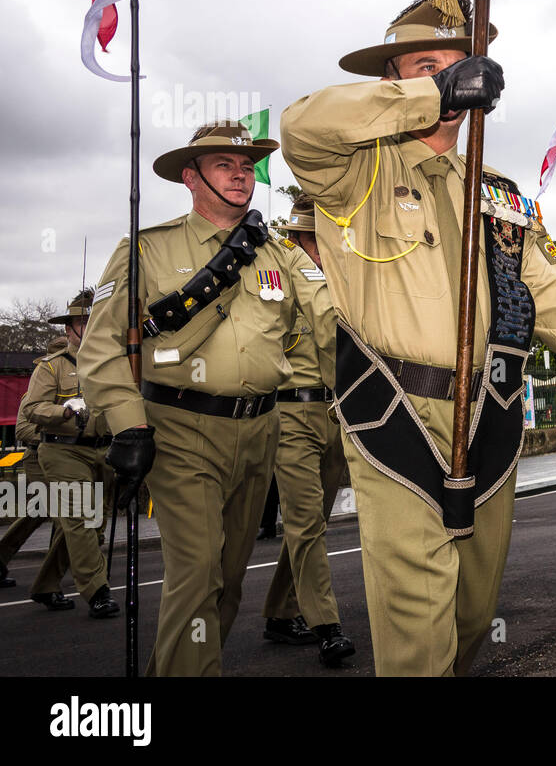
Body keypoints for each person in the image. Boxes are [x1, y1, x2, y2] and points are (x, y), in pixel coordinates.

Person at [279, 0, 556, 676]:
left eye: (458, 67)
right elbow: (301, 125)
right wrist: (431, 96)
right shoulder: (354, 170)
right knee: (418, 630)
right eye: (424, 67)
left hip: (492, 414)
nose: (447, 81)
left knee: (473, 610)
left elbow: (552, 290)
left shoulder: (499, 191)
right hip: (395, 412)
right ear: (394, 82)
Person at [80, 121, 337, 676]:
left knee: (227, 578)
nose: (241, 175)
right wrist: (128, 425)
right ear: (191, 177)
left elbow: (329, 326)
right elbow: (100, 349)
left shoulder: (282, 255)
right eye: (226, 165)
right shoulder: (146, 248)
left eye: (247, 166)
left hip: (261, 429)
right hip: (179, 428)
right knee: (197, 574)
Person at [258, 197, 355, 665]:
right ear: (297, 238)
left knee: (312, 522)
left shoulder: (342, 276)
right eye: (314, 238)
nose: (322, 247)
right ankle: (327, 625)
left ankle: (280, 612)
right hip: (290, 414)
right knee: (303, 521)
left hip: (333, 413)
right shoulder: (277, 276)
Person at [21, 290, 118, 618]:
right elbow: (31, 409)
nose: (90, 326)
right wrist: (62, 412)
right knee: (79, 519)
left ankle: (46, 584)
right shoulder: (52, 368)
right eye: (82, 321)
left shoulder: (111, 364)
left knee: (94, 525)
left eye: (94, 319)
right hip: (63, 451)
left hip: (102, 452)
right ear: (68, 329)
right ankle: (97, 591)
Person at [0, 341, 72, 600]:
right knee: (63, 514)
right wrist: (57, 432)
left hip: (66, 458)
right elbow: (21, 430)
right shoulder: (33, 395)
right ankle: (49, 581)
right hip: (39, 457)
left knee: (43, 513)